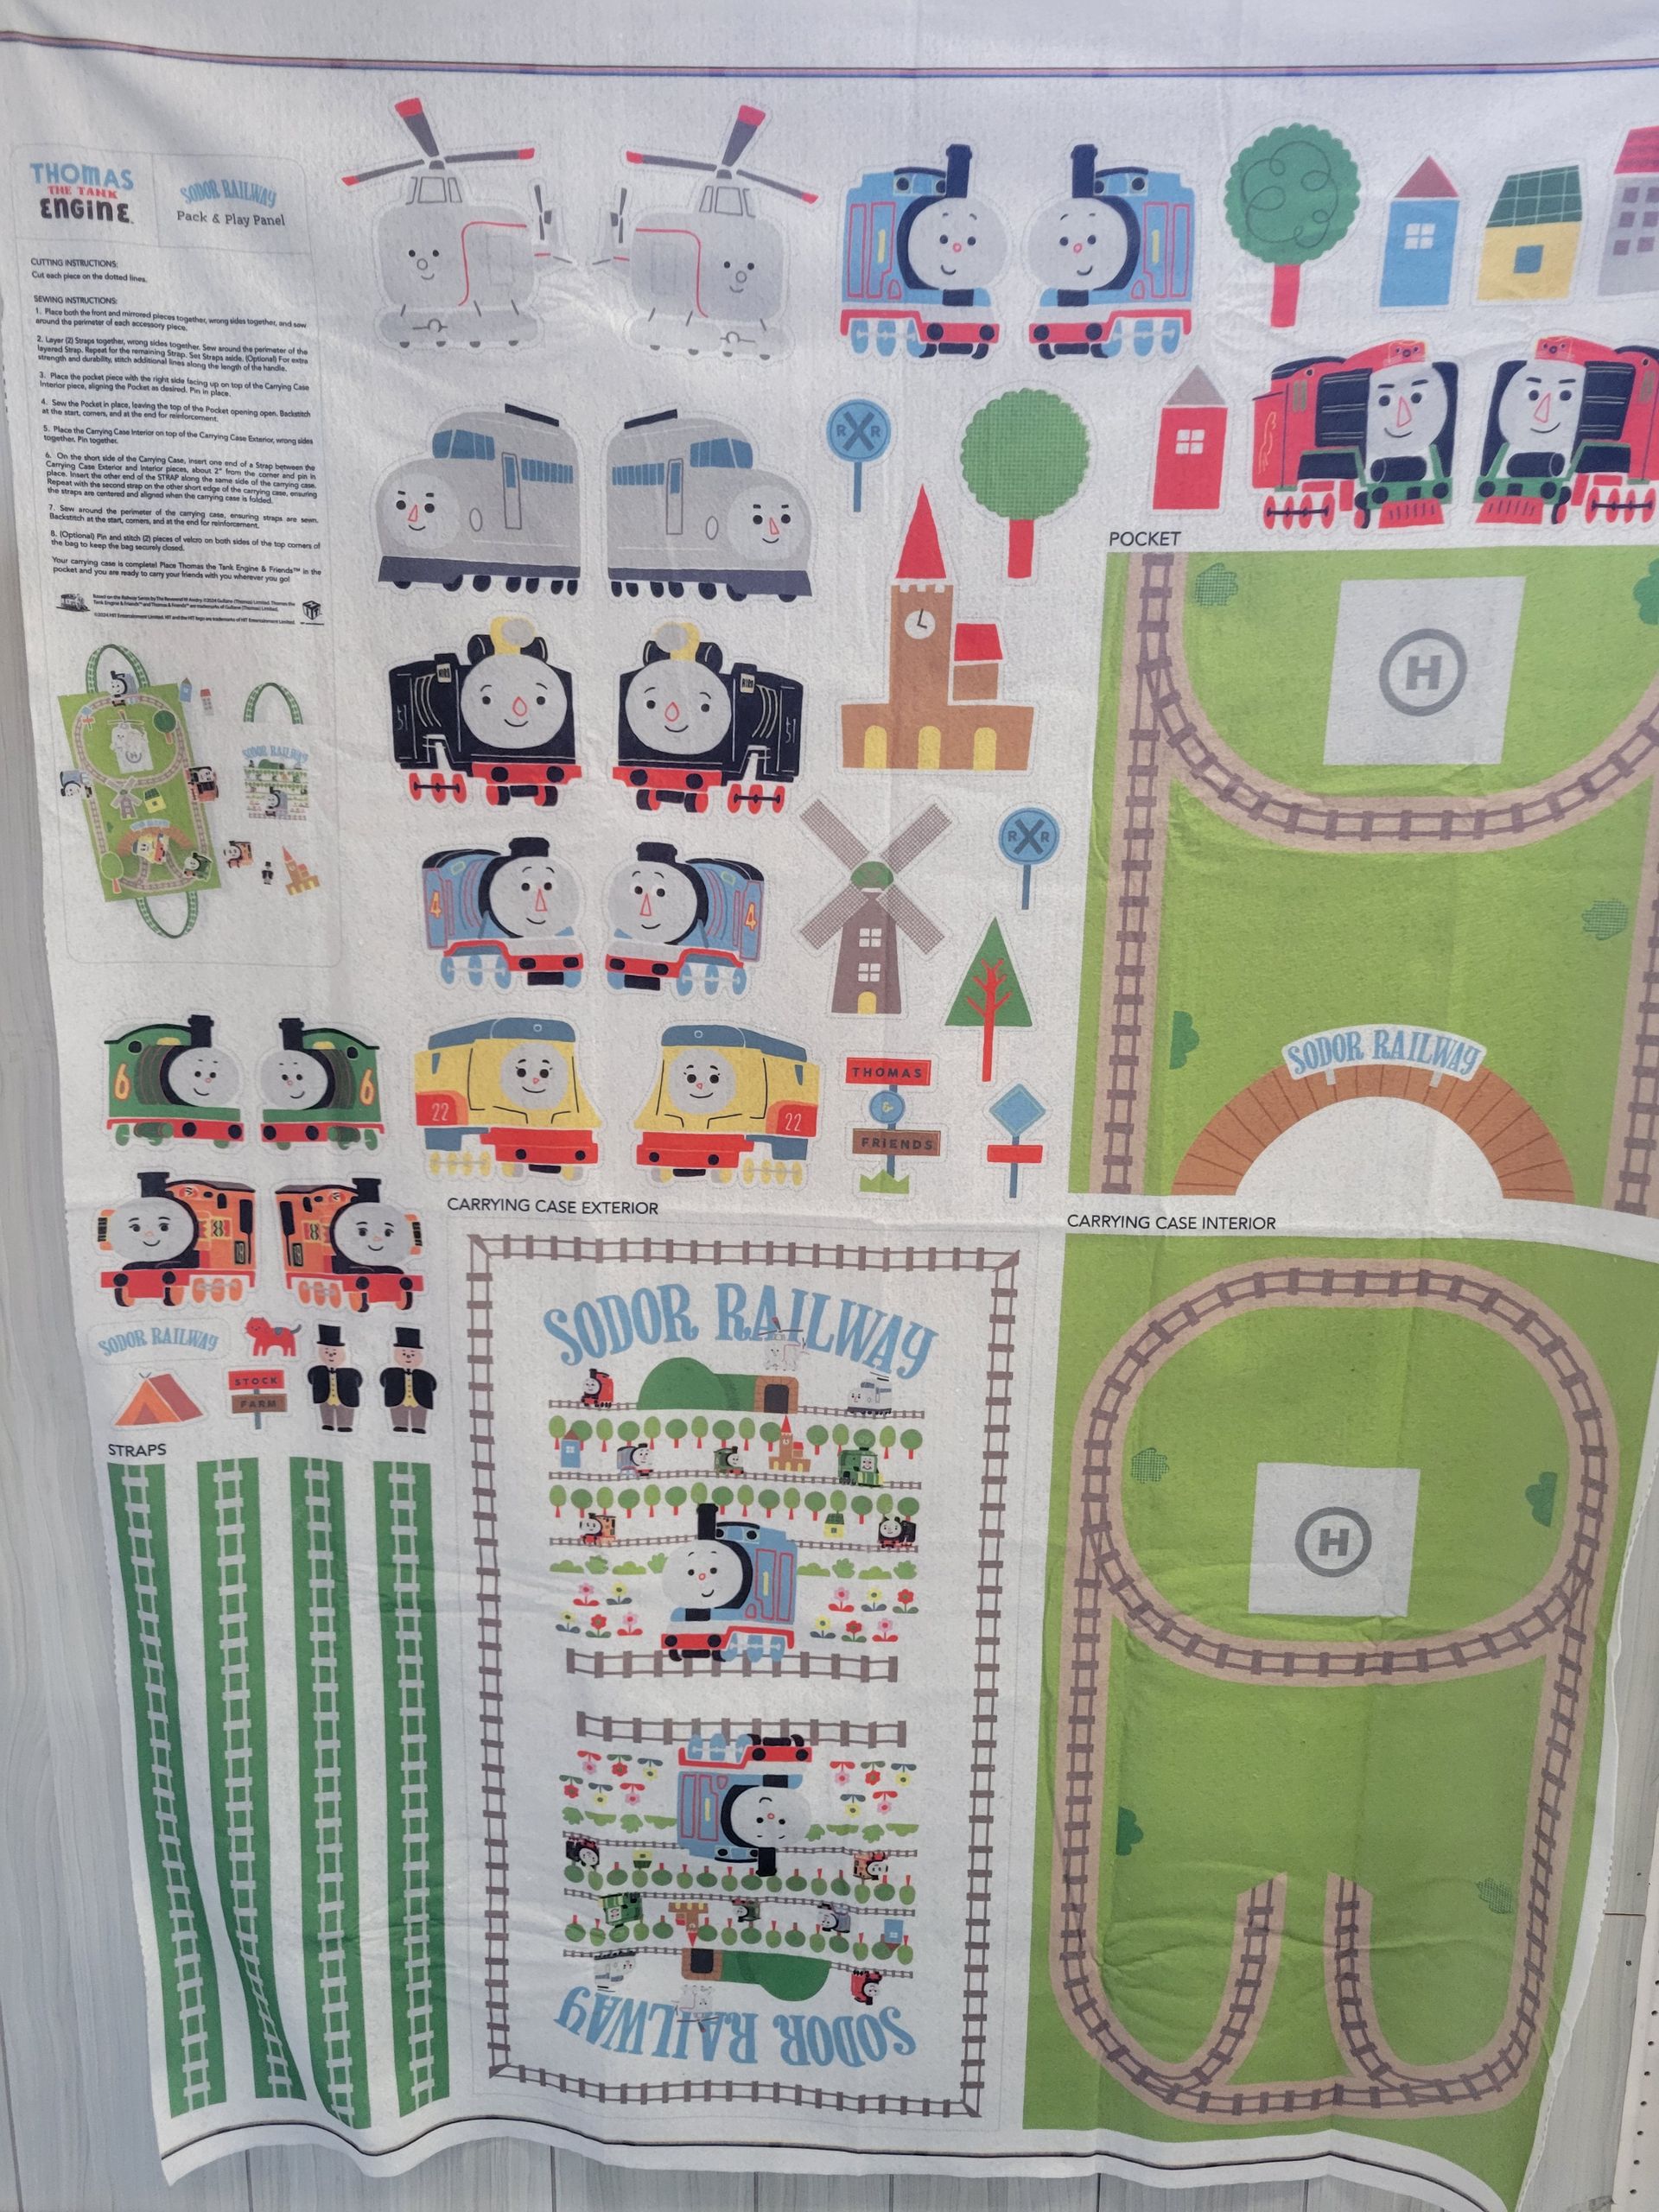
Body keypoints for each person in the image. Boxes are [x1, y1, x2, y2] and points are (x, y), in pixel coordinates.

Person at [381, 1325, 436, 1434]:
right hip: (397, 1399)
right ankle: (400, 1426)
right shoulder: (391, 1373)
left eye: (412, 1354)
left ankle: (418, 1427)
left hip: (420, 1401)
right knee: (398, 1412)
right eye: (404, 1354)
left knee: (419, 1414)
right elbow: (383, 1381)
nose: (408, 1357)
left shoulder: (424, 1375)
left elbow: (432, 1385)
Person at [307, 1323, 360, 1433]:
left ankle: (345, 1425)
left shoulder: (349, 1372)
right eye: (326, 1352)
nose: (330, 1355)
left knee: (345, 1412)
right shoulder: (318, 1370)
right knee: (326, 1411)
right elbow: (311, 1378)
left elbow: (358, 1380)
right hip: (325, 1398)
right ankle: (328, 1424)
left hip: (345, 1399)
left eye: (334, 1352)